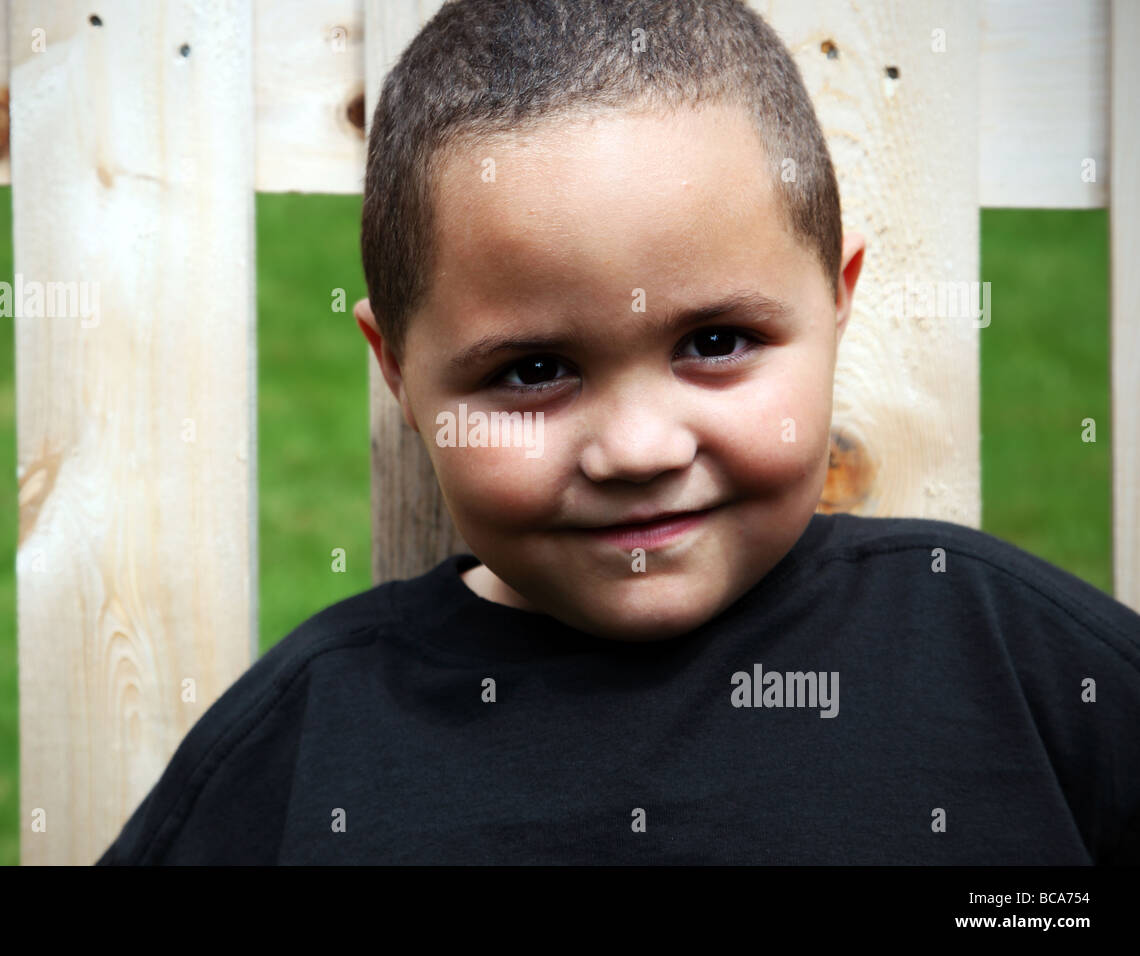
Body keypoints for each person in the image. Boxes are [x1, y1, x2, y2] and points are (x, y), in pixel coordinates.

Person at [97, 0, 1140, 864]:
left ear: (835, 301)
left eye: (717, 341)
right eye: (534, 371)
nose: (638, 447)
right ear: (398, 372)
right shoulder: (308, 738)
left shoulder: (1013, 658)